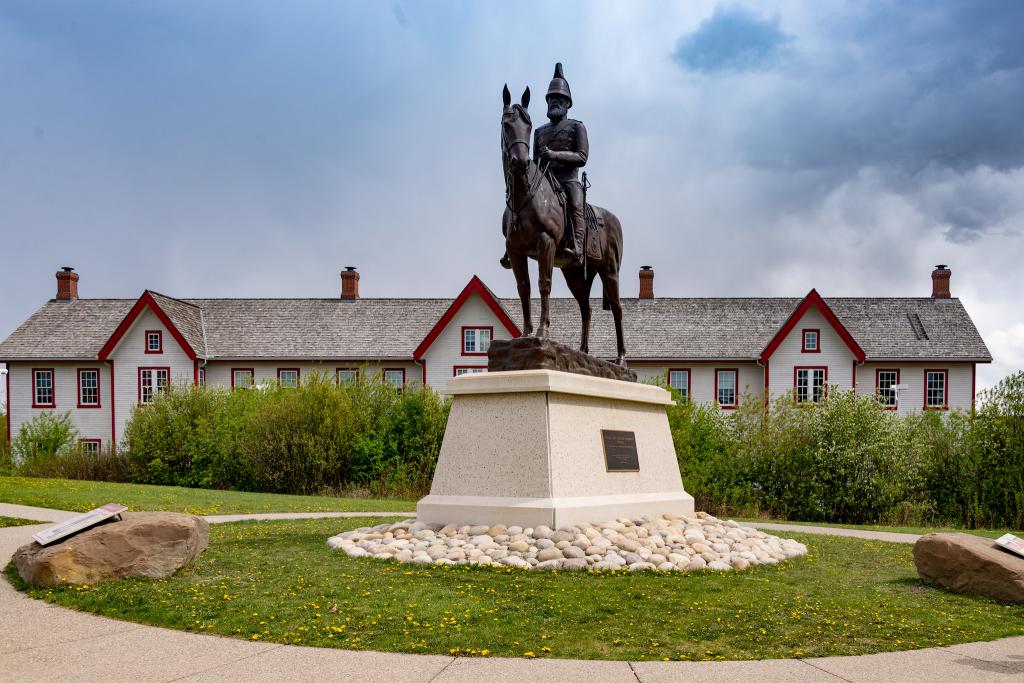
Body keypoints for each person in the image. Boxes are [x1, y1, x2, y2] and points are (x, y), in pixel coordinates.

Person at [501, 63, 589, 269]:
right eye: (551, 99)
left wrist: (555, 155)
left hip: (568, 180)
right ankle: (512, 242)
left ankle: (577, 246)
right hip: (543, 181)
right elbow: (534, 160)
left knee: (576, 203)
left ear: (568, 104)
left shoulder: (577, 127)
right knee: (519, 195)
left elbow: (582, 156)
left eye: (558, 99)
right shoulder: (539, 132)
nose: (554, 102)